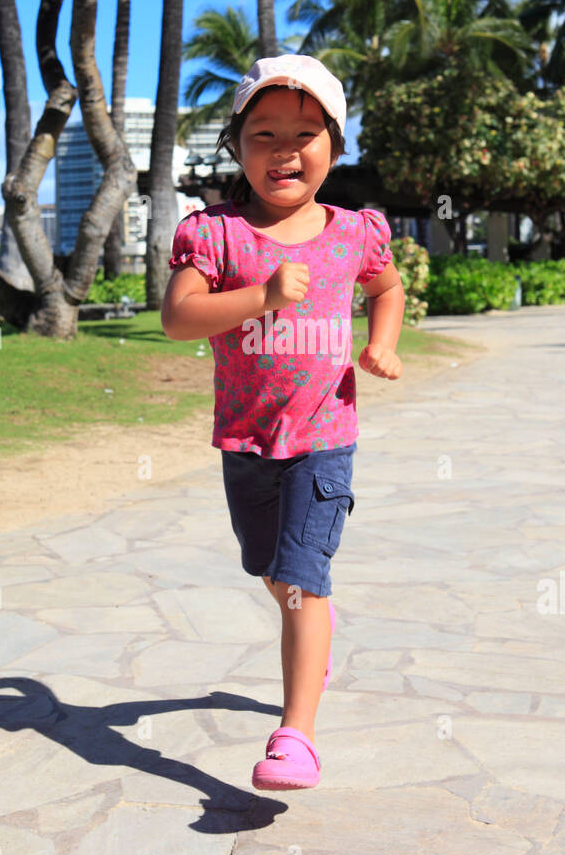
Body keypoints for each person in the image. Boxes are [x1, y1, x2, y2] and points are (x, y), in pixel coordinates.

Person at [161, 54, 405, 792]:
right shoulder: (217, 234)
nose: (284, 150)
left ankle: (295, 735)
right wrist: (262, 295)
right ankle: (313, 631)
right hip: (246, 440)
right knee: (270, 570)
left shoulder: (354, 232)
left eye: (304, 133)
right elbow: (178, 317)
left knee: (304, 577)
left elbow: (386, 287)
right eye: (263, 134)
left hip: (322, 441)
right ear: (237, 146)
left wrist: (382, 343)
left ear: (334, 143)